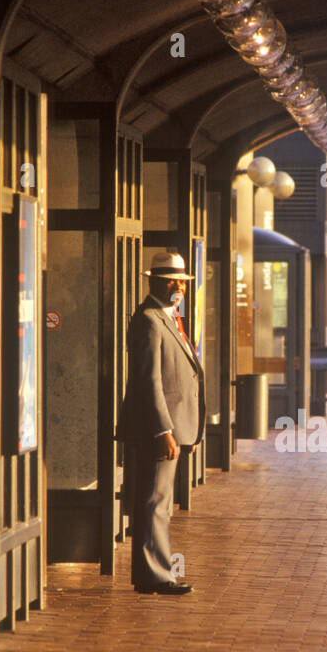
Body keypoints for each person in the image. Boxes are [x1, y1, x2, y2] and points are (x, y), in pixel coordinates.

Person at [119, 251, 205, 594]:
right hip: (159, 429)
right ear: (152, 280)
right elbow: (148, 380)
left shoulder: (171, 317)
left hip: (175, 425)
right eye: (171, 280)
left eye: (181, 282)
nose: (178, 287)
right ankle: (156, 575)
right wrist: (163, 430)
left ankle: (153, 572)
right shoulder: (149, 320)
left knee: (160, 502)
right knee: (154, 501)